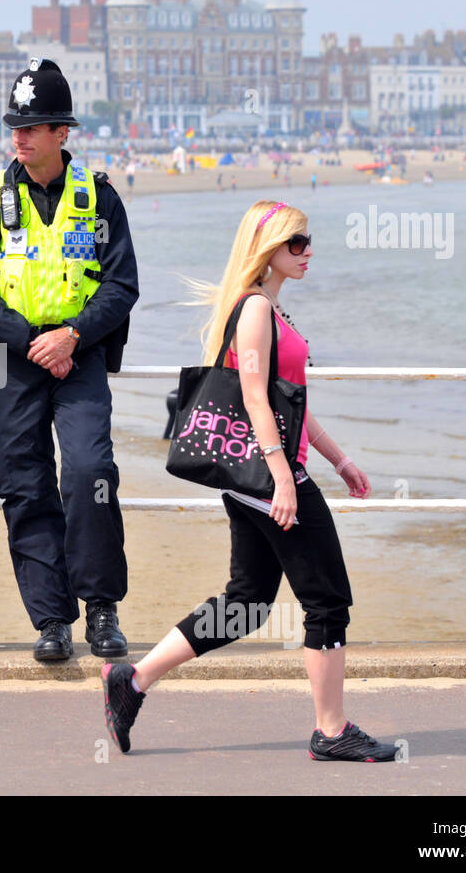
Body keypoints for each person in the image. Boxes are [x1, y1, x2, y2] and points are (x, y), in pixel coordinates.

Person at [102, 199, 397, 763]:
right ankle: (331, 731)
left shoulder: (269, 310)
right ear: (267, 250)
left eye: (308, 240)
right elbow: (257, 399)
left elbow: (291, 402)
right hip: (268, 478)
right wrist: (284, 480)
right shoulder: (257, 310)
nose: (308, 252)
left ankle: (132, 680)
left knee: (248, 602)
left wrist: (338, 459)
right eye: (296, 243)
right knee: (327, 599)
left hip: (253, 477)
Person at [0, 59, 139, 662]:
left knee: (90, 475)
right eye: (14, 125)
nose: (19, 136)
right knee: (25, 487)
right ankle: (51, 619)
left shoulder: (100, 198)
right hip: (14, 361)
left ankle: (101, 609)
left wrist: (72, 337)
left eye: (33, 126)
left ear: (63, 133)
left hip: (78, 358)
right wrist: (34, 338)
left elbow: (121, 284)